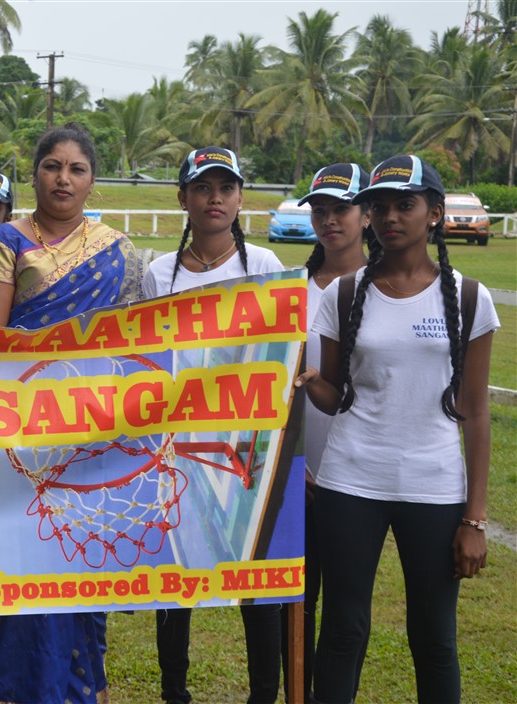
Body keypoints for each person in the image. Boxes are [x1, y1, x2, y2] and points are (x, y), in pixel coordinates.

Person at [0, 123, 142, 704]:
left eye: (77, 169)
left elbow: (125, 345)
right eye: (53, 166)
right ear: (35, 174)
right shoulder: (7, 239)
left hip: (90, 431)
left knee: (73, 564)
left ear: (92, 181)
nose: (63, 178)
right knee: (19, 558)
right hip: (20, 427)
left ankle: (69, 686)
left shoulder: (117, 249)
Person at [300, 155, 497, 704]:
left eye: (405, 205)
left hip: (433, 488)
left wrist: (475, 518)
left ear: (434, 213)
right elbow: (337, 396)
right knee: (343, 632)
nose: (390, 216)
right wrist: (307, 378)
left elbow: (475, 413)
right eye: (380, 205)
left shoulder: (468, 298)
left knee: (434, 639)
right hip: (350, 483)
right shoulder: (344, 294)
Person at [143, 147, 285, 704]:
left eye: (226, 187)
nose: (216, 198)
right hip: (176, 444)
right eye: (203, 188)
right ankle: (174, 690)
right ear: (183, 198)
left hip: (248, 442)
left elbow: (281, 350)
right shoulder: (161, 273)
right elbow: (147, 360)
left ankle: (262, 694)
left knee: (256, 572)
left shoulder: (266, 267)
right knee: (177, 571)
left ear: (241, 197)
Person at [283, 162, 374, 700]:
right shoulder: (289, 290)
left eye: (341, 208)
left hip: (355, 478)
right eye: (320, 210)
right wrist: (295, 467)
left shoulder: (382, 289)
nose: (330, 220)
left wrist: (334, 469)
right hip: (293, 475)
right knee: (294, 603)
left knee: (346, 614)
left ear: (366, 214)